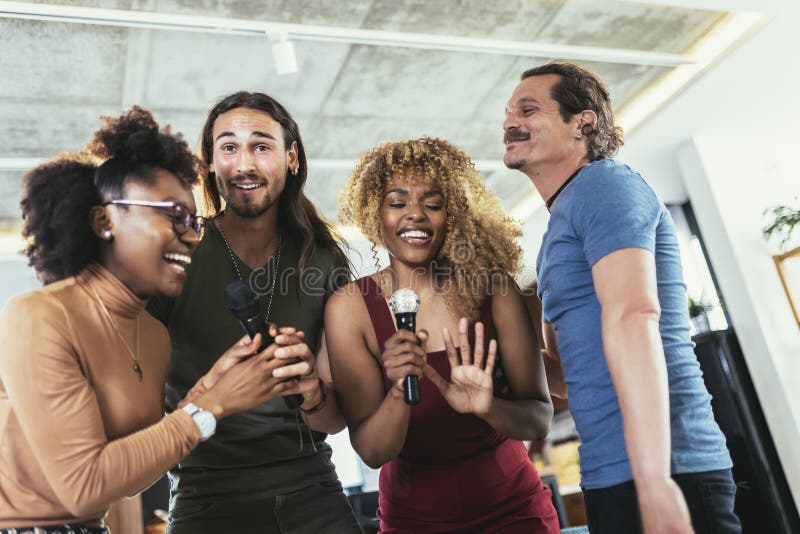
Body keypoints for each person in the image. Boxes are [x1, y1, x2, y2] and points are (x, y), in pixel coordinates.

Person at [0, 107, 295, 533]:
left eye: (193, 222)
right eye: (174, 216)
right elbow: (83, 486)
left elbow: (129, 479)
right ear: (105, 219)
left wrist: (208, 388)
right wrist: (211, 405)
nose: (193, 235)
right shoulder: (38, 316)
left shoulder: (154, 335)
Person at [502, 61, 740, 534]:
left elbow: (634, 316)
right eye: (507, 114)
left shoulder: (604, 185)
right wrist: (499, 347)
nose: (510, 122)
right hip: (610, 470)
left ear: (582, 123)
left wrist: (655, 483)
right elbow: (571, 377)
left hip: (668, 466)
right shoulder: (556, 231)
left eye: (528, 109)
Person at [146, 91, 361, 534]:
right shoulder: (177, 254)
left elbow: (336, 421)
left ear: (292, 157)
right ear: (208, 162)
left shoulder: (323, 261)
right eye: (228, 147)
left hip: (313, 491)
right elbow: (140, 421)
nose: (244, 164)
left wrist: (311, 392)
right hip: (205, 500)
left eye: (261, 146)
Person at [328, 137, 560, 533]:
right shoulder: (349, 309)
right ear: (374, 215)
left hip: (515, 513)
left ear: (451, 215)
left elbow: (538, 418)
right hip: (413, 521)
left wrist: (489, 407)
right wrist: (402, 389)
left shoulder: (495, 289)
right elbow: (371, 451)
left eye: (432, 204)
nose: (414, 216)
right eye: (397, 203)